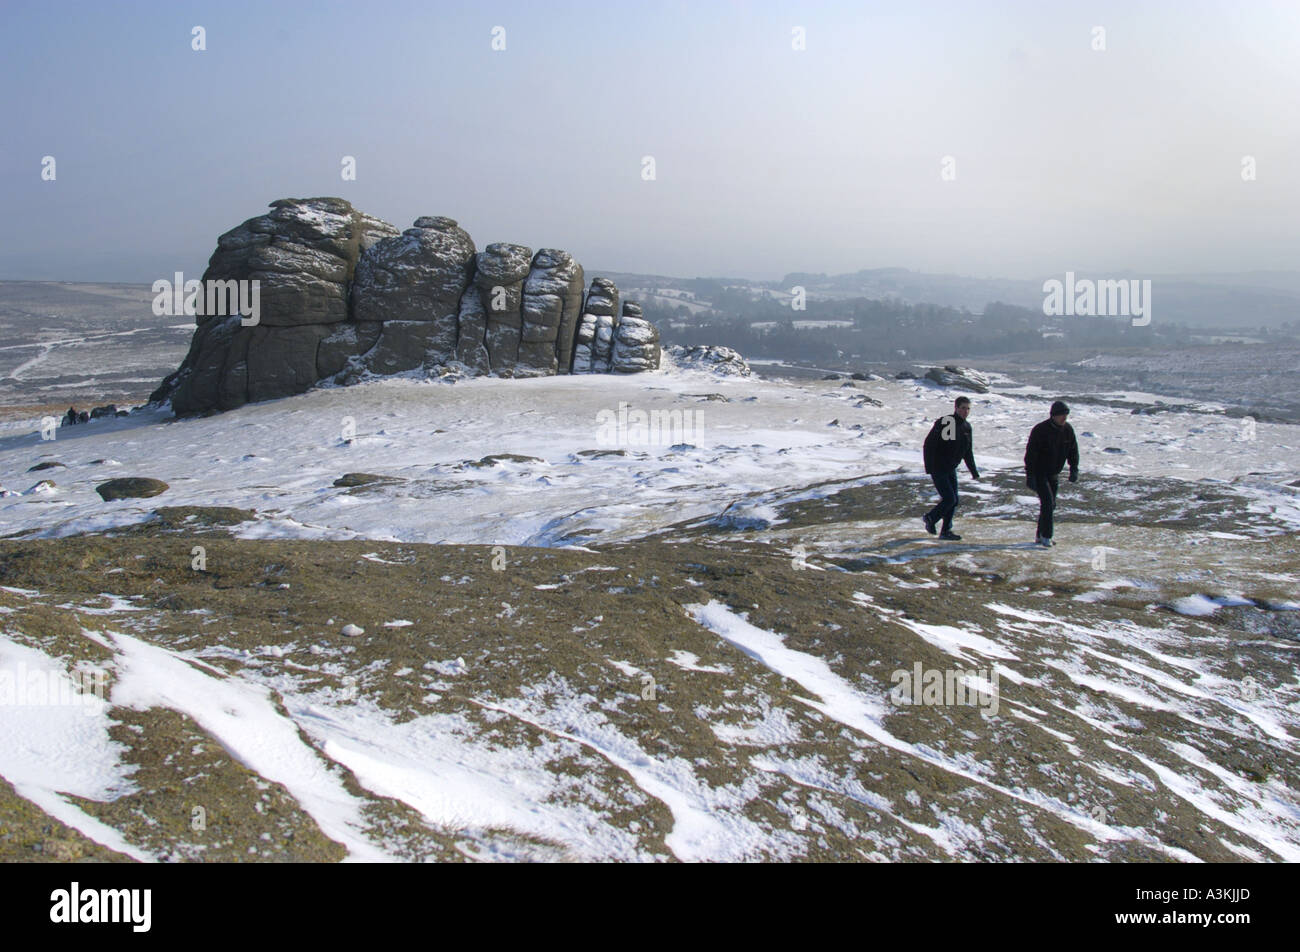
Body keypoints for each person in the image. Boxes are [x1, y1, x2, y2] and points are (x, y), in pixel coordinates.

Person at [922, 396, 980, 540]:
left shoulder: (966, 427)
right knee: (950, 499)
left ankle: (945, 531)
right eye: (963, 408)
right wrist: (930, 466)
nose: (965, 411)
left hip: (950, 468)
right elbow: (931, 445)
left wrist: (973, 471)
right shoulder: (949, 423)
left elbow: (967, 451)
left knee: (954, 500)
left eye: (968, 408)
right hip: (939, 467)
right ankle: (930, 518)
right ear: (956, 408)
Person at [1024, 400, 1080, 547]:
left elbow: (1073, 450)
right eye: (1062, 415)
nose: (1064, 418)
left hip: (1054, 473)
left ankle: (1039, 535)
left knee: (1050, 505)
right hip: (1039, 473)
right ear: (1053, 416)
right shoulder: (1040, 430)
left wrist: (1074, 468)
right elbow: (1031, 453)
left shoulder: (1068, 430)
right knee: (1048, 503)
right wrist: (1030, 475)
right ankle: (1047, 536)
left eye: (1066, 415)